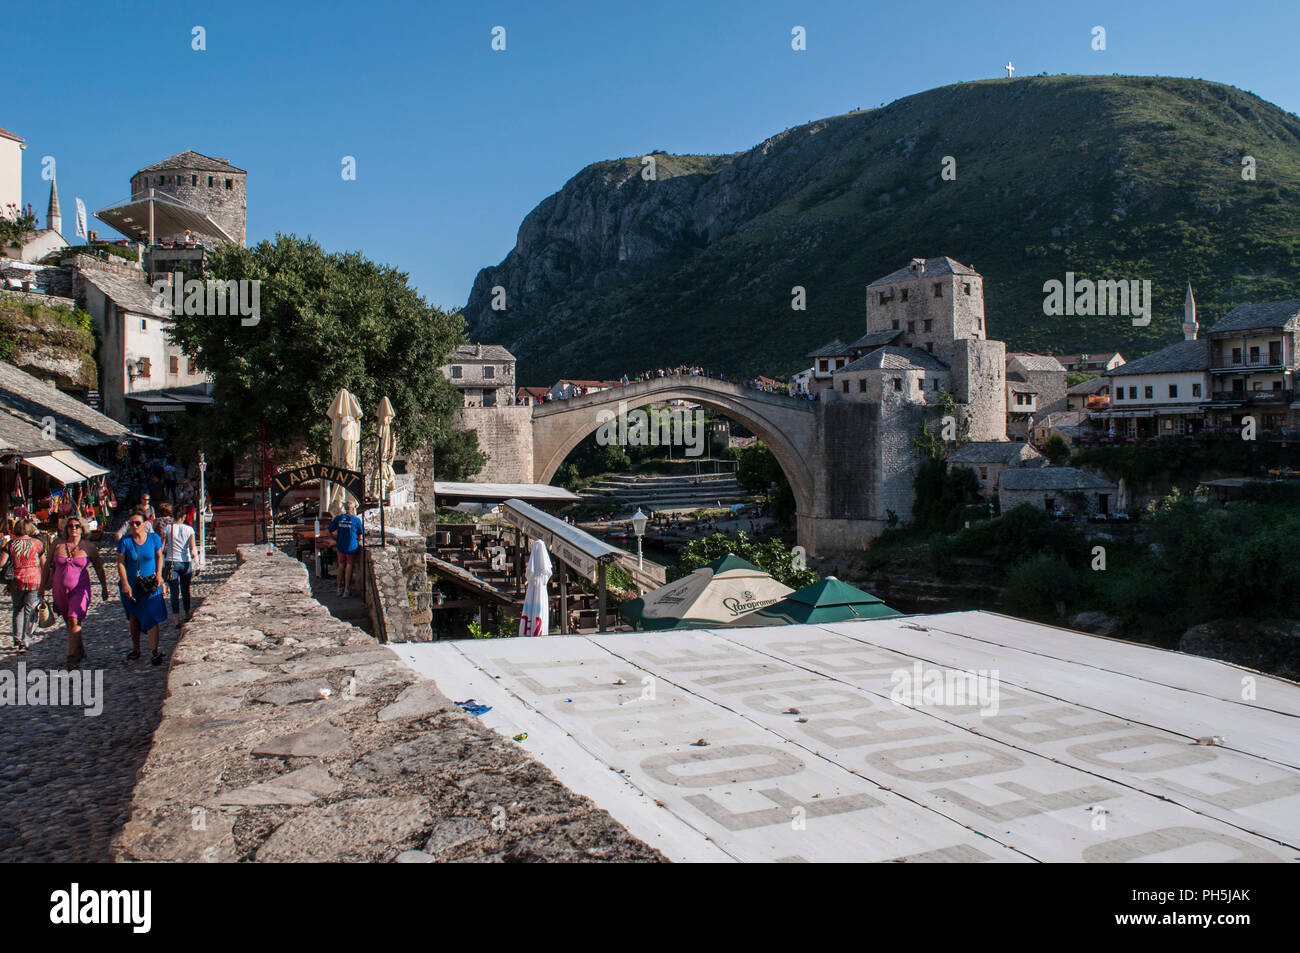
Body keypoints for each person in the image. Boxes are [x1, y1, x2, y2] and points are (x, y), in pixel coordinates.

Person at [40, 518, 108, 669]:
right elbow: (47, 566)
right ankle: (80, 648)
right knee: (71, 622)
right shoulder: (57, 544)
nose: (73, 528)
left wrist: (104, 587)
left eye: (77, 526)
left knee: (73, 618)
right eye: (70, 526)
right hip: (60, 590)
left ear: (82, 528)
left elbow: (98, 567)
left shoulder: (88, 547)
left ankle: (71, 657)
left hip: (80, 589)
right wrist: (42, 587)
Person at [117, 507, 168, 665]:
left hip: (152, 583)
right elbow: (120, 563)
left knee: (152, 616)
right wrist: (125, 583)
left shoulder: (154, 538)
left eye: (137, 523)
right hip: (132, 585)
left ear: (145, 523)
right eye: (131, 523)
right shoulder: (125, 542)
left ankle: (154, 651)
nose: (134, 526)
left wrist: (160, 576)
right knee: (134, 618)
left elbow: (159, 556)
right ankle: (136, 648)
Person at [0, 519, 45, 654]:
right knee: (30, 610)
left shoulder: (10, 544)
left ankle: (17, 640)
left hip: (16, 580)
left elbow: (1, 563)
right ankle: (25, 642)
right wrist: (46, 581)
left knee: (17, 609)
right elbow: (44, 563)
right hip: (34, 579)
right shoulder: (37, 544)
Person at [161, 508, 199, 625]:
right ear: (183, 517)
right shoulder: (189, 529)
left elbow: (162, 547)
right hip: (185, 562)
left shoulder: (167, 529)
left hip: (171, 561)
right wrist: (196, 562)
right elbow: (192, 548)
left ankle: (176, 619)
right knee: (185, 589)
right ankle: (187, 613)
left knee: (174, 591)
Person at [329, 500, 364, 597]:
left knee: (340, 567)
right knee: (349, 567)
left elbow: (331, 530)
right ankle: (346, 590)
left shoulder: (338, 518)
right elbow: (360, 536)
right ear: (353, 509)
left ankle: (339, 588)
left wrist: (336, 537)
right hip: (351, 547)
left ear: (344, 509)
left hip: (341, 546)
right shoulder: (356, 520)